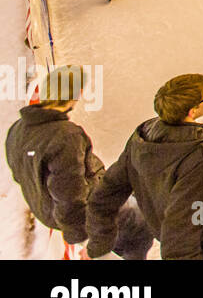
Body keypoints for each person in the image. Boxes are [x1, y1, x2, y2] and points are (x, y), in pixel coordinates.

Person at [86, 74, 203, 259]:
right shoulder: (198, 155)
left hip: (167, 229)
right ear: (192, 111)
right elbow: (188, 218)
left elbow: (105, 195)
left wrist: (98, 247)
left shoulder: (142, 138)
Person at [4, 66, 150, 259]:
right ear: (77, 94)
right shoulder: (65, 136)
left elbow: (20, 175)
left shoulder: (17, 129)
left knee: (133, 193)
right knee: (140, 222)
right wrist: (86, 242)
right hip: (79, 216)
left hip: (48, 210)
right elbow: (69, 197)